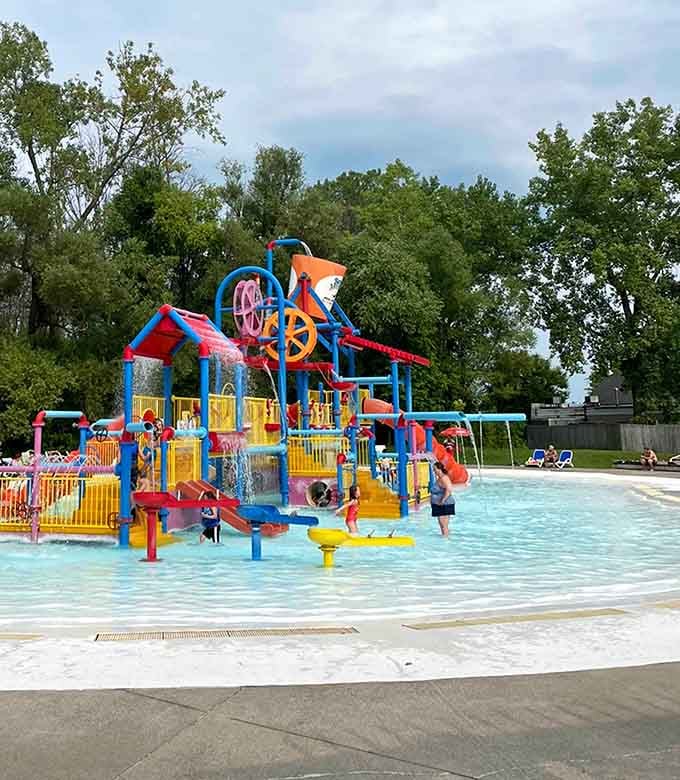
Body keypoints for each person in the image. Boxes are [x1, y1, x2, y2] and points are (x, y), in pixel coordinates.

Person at [430, 461, 455, 537]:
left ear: (439, 469)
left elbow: (449, 489)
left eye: (435, 469)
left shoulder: (444, 478)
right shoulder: (439, 478)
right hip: (439, 504)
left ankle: (446, 539)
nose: (434, 471)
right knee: (442, 525)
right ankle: (445, 537)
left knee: (444, 525)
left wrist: (442, 500)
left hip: (444, 504)